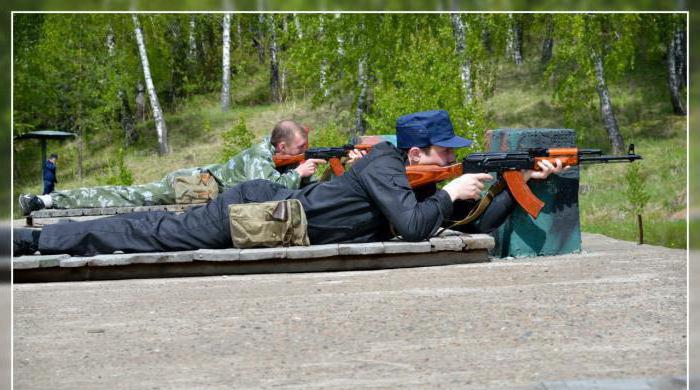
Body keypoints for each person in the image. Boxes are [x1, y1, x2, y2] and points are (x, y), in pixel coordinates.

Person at [13, 110, 566, 257]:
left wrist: (509, 180)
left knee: (149, 226)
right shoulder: (385, 167)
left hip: (270, 216)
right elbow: (419, 226)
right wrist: (448, 191)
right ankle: (31, 241)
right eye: (446, 152)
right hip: (255, 218)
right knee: (147, 230)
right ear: (418, 151)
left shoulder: (400, 171)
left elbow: (460, 221)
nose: (451, 159)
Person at [17, 120, 325, 215]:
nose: (303, 153)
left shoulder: (268, 155)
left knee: (128, 195)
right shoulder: (259, 158)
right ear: (281, 147)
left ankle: (46, 200)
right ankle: (47, 200)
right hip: (190, 186)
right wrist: (298, 174)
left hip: (198, 189)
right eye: (299, 149)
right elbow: (266, 190)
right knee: (127, 196)